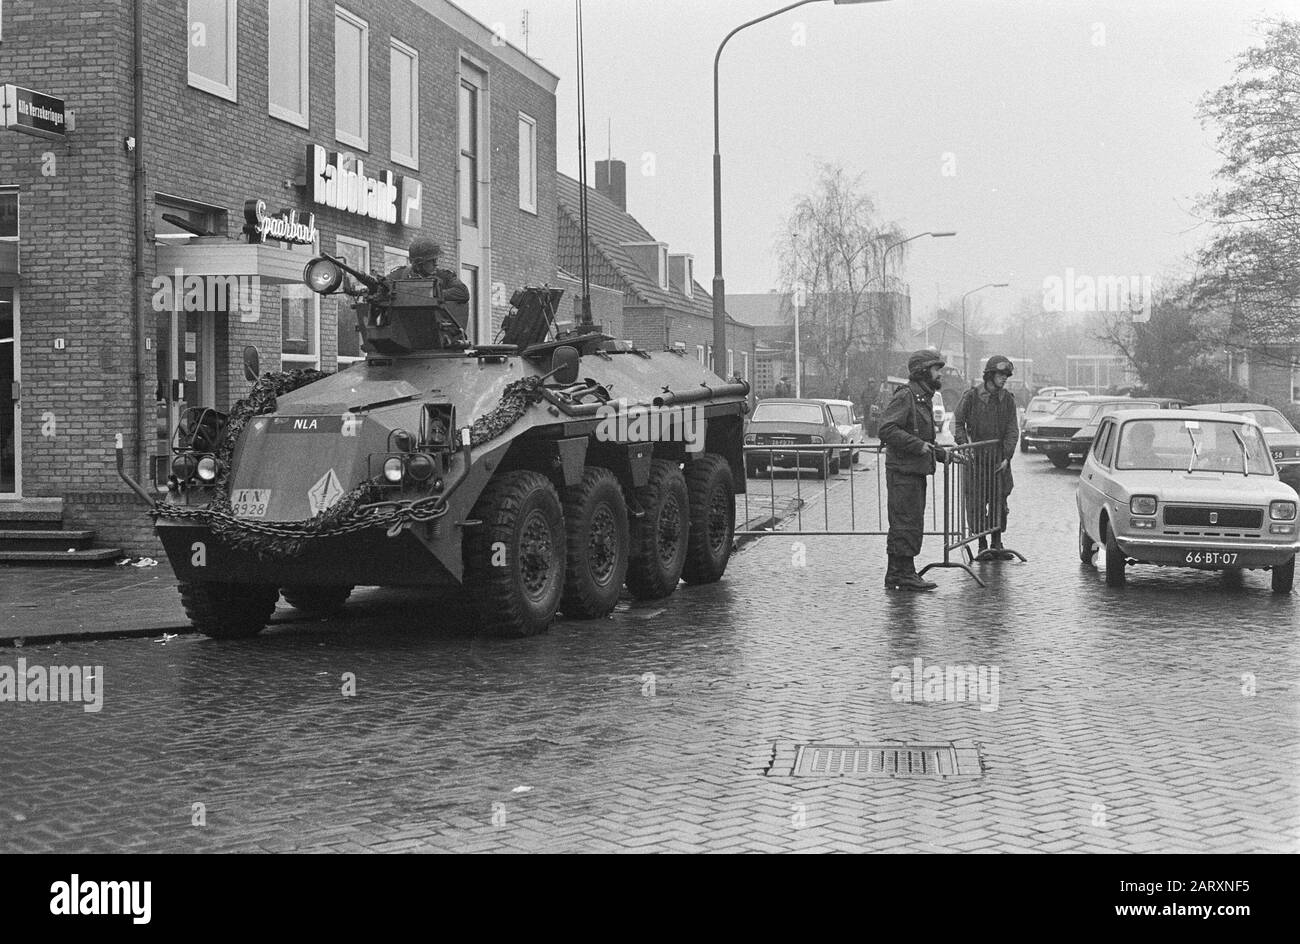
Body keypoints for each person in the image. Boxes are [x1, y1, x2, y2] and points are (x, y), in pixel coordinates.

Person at [878, 349, 955, 591]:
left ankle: (900, 573)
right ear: (922, 371)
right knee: (904, 522)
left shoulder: (923, 397)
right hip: (903, 472)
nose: (938, 374)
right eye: (935, 369)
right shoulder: (906, 396)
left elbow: (919, 434)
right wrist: (918, 446)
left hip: (913, 470)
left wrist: (941, 454)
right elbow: (887, 429)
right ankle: (902, 574)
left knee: (910, 523)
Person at [954, 354, 1020, 560]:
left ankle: (996, 543)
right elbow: (958, 423)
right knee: (976, 502)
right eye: (1001, 374)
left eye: (1006, 375)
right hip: (976, 462)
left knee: (999, 501)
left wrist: (1007, 456)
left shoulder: (1007, 399)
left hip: (998, 461)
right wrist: (966, 446)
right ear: (990, 375)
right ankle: (983, 544)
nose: (1004, 378)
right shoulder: (972, 397)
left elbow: (1012, 429)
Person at [386, 237, 471, 342]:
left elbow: (463, 292)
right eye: (432, 260)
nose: (436, 264)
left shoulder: (444, 276)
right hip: (405, 338)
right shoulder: (399, 276)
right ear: (419, 263)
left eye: (436, 260)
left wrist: (433, 293)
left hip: (440, 337)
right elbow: (382, 287)